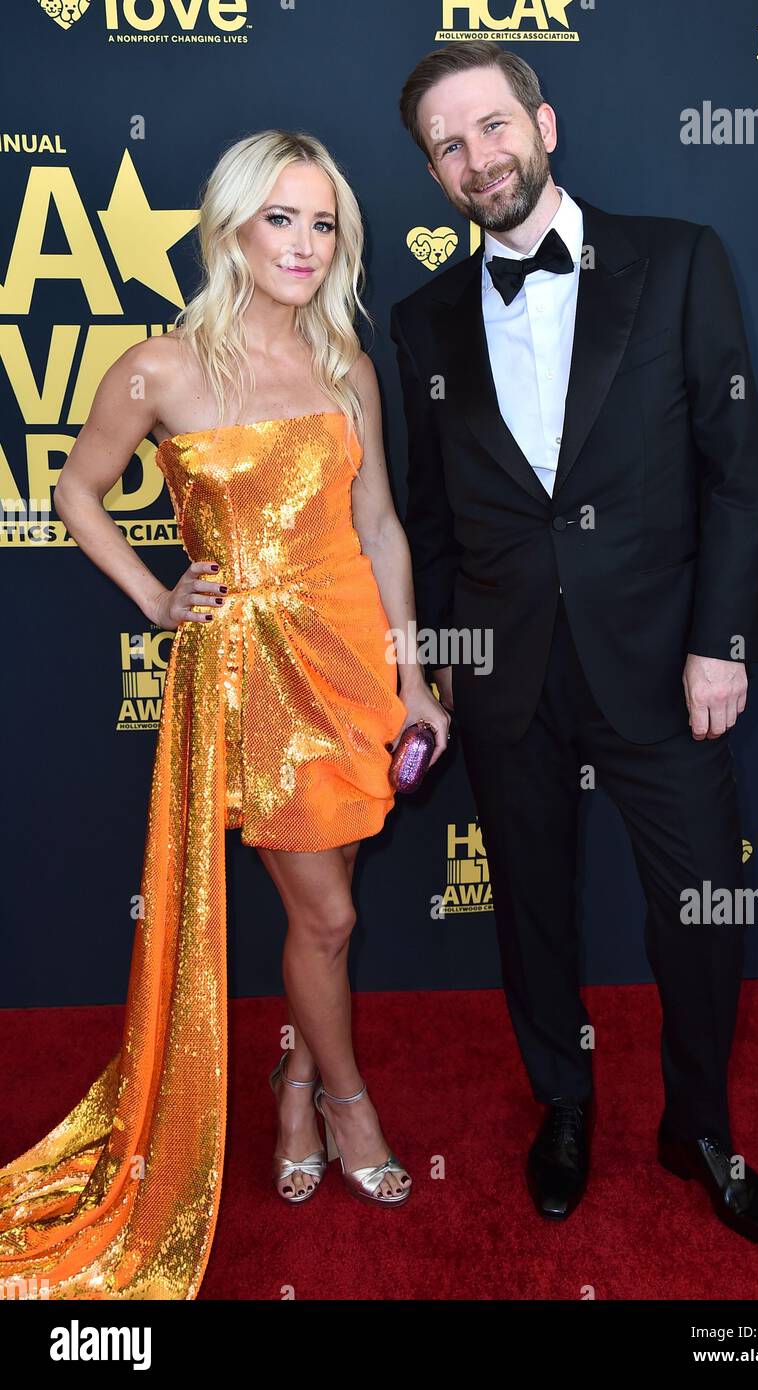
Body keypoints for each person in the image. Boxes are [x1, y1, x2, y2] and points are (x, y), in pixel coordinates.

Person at [0, 129, 449, 1299]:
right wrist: (156, 594)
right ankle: (343, 1101)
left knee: (320, 921)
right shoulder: (158, 367)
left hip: (354, 659)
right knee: (334, 917)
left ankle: (294, 1081)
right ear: (232, 230)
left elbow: (383, 529)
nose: (303, 244)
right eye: (280, 219)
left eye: (323, 222)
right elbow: (75, 487)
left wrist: (410, 676)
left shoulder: (347, 358)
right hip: (250, 677)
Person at [390, 41, 758, 1250]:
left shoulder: (675, 261)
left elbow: (734, 477)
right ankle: (560, 1106)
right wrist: (443, 665)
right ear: (432, 170)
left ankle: (701, 1127)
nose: (476, 157)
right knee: (532, 913)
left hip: (661, 662)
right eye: (447, 144)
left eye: (491, 126)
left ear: (543, 124)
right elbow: (430, 517)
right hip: (508, 676)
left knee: (701, 910)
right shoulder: (419, 323)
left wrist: (719, 641)